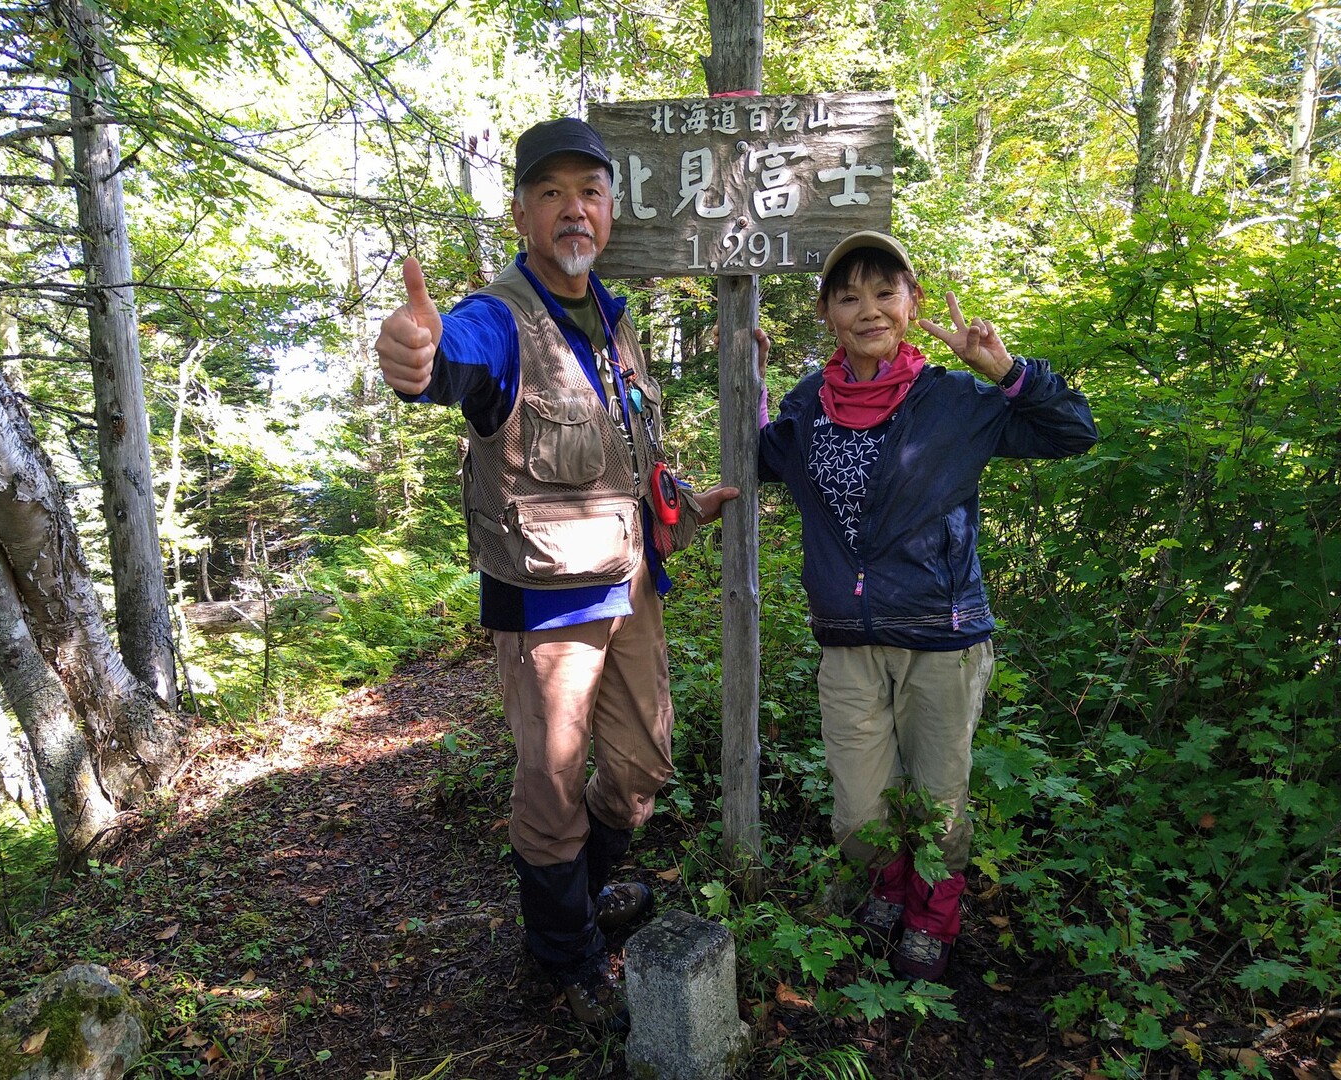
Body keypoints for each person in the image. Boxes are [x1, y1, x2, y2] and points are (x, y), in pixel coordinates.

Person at [373, 117, 737, 1029]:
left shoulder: (615, 324)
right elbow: (454, 360)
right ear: (522, 214)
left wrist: (682, 509)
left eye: (589, 192)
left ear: (609, 209)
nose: (574, 209)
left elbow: (621, 455)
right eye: (551, 193)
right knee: (552, 784)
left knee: (643, 765)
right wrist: (420, 358)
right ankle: (565, 956)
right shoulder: (500, 320)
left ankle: (583, 892)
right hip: (545, 606)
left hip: (632, 584)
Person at [754, 230, 1097, 981]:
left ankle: (932, 916)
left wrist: (1005, 370)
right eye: (849, 296)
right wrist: (748, 380)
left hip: (941, 636)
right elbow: (760, 456)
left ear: (911, 302)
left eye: (886, 292)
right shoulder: (810, 404)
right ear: (827, 312)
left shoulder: (953, 400)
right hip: (846, 639)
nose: (869, 309)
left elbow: (1073, 431)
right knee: (859, 809)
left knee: (939, 802)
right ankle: (883, 887)